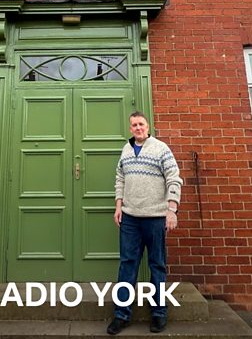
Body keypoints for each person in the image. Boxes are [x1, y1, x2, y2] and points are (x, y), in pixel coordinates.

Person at [107, 111, 183, 335]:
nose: (138, 128)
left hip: (155, 218)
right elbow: (120, 179)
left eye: (141, 124)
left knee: (157, 265)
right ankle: (121, 315)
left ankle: (159, 312)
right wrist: (119, 206)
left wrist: (172, 210)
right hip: (130, 218)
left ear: (148, 127)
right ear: (130, 128)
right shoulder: (126, 150)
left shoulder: (161, 149)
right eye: (134, 125)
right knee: (127, 265)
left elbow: (174, 178)